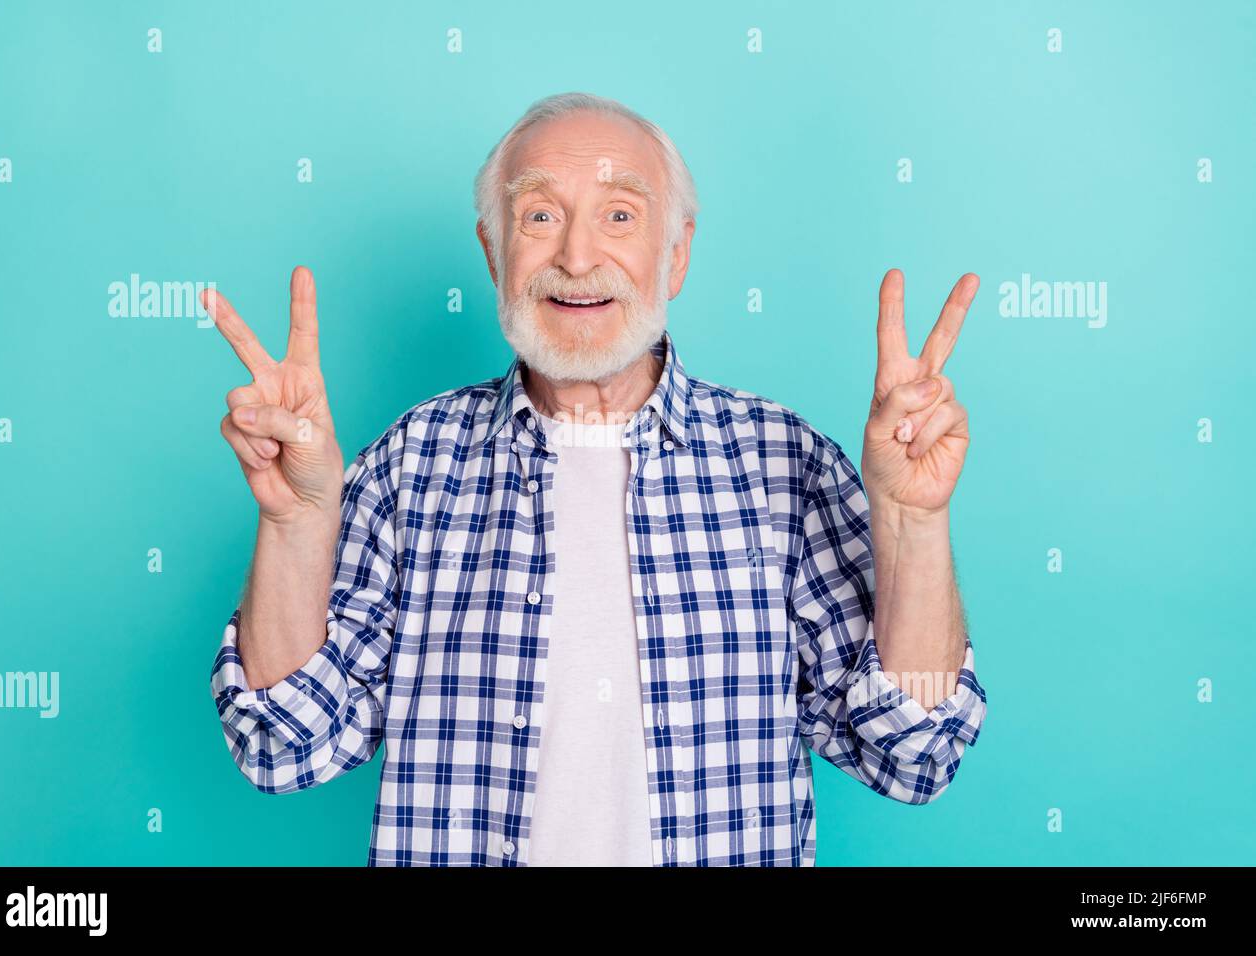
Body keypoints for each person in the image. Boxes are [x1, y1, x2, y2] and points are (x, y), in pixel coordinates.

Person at [206, 91, 987, 867]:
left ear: (676, 253)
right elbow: (283, 745)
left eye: (620, 216)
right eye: (540, 216)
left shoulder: (783, 464)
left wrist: (914, 523)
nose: (577, 259)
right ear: (492, 252)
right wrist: (295, 523)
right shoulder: (412, 465)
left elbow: (912, 756)